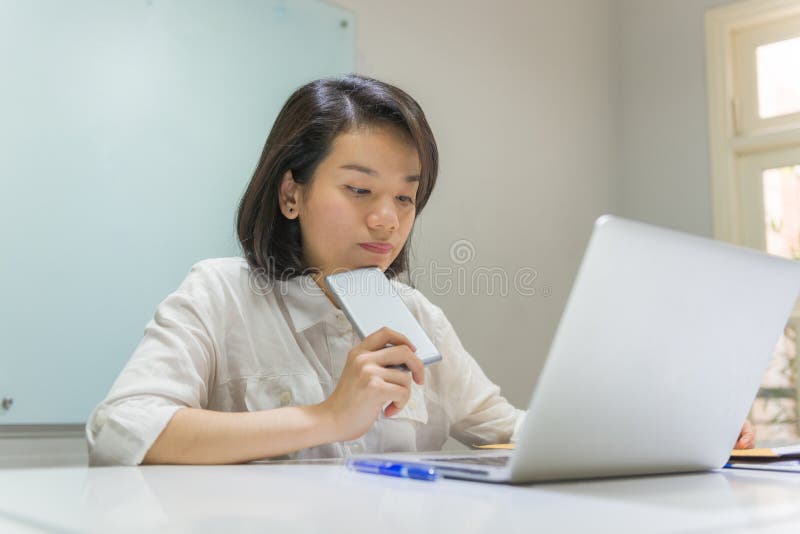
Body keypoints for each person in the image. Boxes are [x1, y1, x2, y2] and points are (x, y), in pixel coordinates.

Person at [85, 75, 755, 466]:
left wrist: (667, 432)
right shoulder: (220, 293)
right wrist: (326, 417)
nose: (387, 219)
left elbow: (507, 427)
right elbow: (120, 429)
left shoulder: (414, 315)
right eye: (359, 190)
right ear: (291, 193)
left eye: (406, 198)